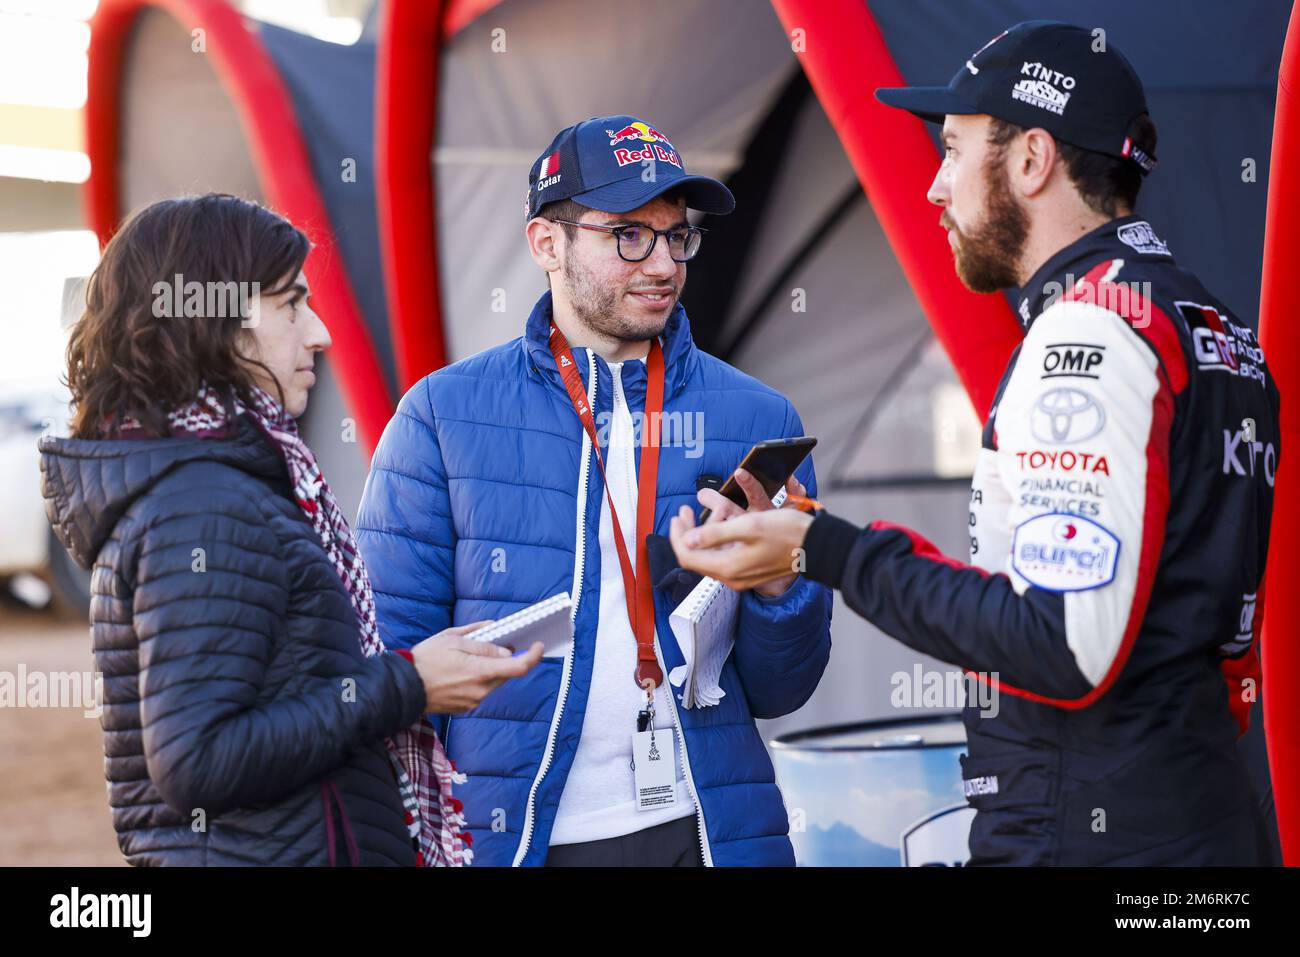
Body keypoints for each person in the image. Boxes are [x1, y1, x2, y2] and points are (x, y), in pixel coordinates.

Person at [668, 21, 1281, 865]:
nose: (934, 187)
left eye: (953, 150)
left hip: (1094, 830)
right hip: (1196, 812)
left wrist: (828, 550)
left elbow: (1065, 646)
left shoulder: (1091, 334)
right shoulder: (1212, 322)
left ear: (1031, 160)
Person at [356, 115, 833, 867]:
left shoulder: (759, 419)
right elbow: (388, 670)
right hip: (514, 841)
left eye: (677, 236)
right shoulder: (441, 417)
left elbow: (785, 687)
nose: (663, 264)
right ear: (547, 243)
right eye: (628, 236)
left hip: (709, 830)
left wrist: (781, 592)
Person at [40, 193, 541, 866]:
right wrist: (408, 684)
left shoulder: (220, 476)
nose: (320, 332)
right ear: (217, 323)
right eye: (290, 304)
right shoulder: (203, 502)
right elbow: (200, 761)